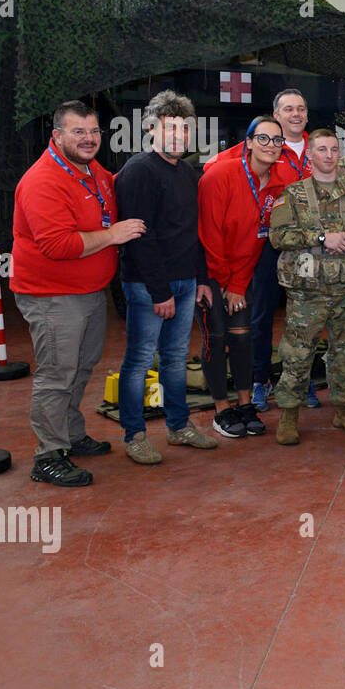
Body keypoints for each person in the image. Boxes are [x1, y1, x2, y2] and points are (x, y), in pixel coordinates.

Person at [11, 101, 145, 486]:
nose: (89, 139)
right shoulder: (43, 181)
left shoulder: (91, 170)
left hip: (88, 291)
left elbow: (119, 186)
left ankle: (69, 434)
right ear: (57, 136)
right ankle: (48, 455)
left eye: (93, 131)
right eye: (78, 132)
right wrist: (113, 235)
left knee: (81, 367)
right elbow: (58, 246)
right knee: (57, 374)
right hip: (53, 296)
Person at [114, 90, 217, 464]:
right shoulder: (138, 171)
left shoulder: (187, 172)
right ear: (150, 130)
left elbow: (193, 231)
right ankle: (134, 435)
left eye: (183, 128)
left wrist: (201, 278)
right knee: (140, 360)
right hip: (148, 285)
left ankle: (179, 427)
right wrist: (160, 293)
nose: (177, 135)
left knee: (175, 359)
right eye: (168, 127)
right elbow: (140, 238)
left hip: (186, 282)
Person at [269, 129, 345, 445]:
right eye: (322, 149)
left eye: (334, 149)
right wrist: (322, 238)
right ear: (310, 155)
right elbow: (278, 237)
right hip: (308, 293)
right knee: (297, 354)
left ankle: (344, 409)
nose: (329, 155)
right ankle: (289, 414)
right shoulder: (293, 195)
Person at [196, 115, 288, 439]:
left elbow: (257, 239)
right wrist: (224, 283)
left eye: (277, 140)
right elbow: (210, 235)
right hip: (209, 271)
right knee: (217, 336)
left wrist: (237, 284)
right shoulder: (220, 175)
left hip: (241, 275)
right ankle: (221, 410)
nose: (271, 146)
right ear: (247, 142)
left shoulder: (278, 183)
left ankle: (245, 404)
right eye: (263, 138)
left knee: (242, 336)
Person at [245, 89, 315, 413]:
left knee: (307, 316)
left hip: (310, 248)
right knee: (261, 315)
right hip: (270, 246)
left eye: (300, 108)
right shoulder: (266, 146)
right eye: (288, 109)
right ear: (277, 115)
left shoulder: (320, 147)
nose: (295, 114)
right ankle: (260, 379)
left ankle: (302, 378)